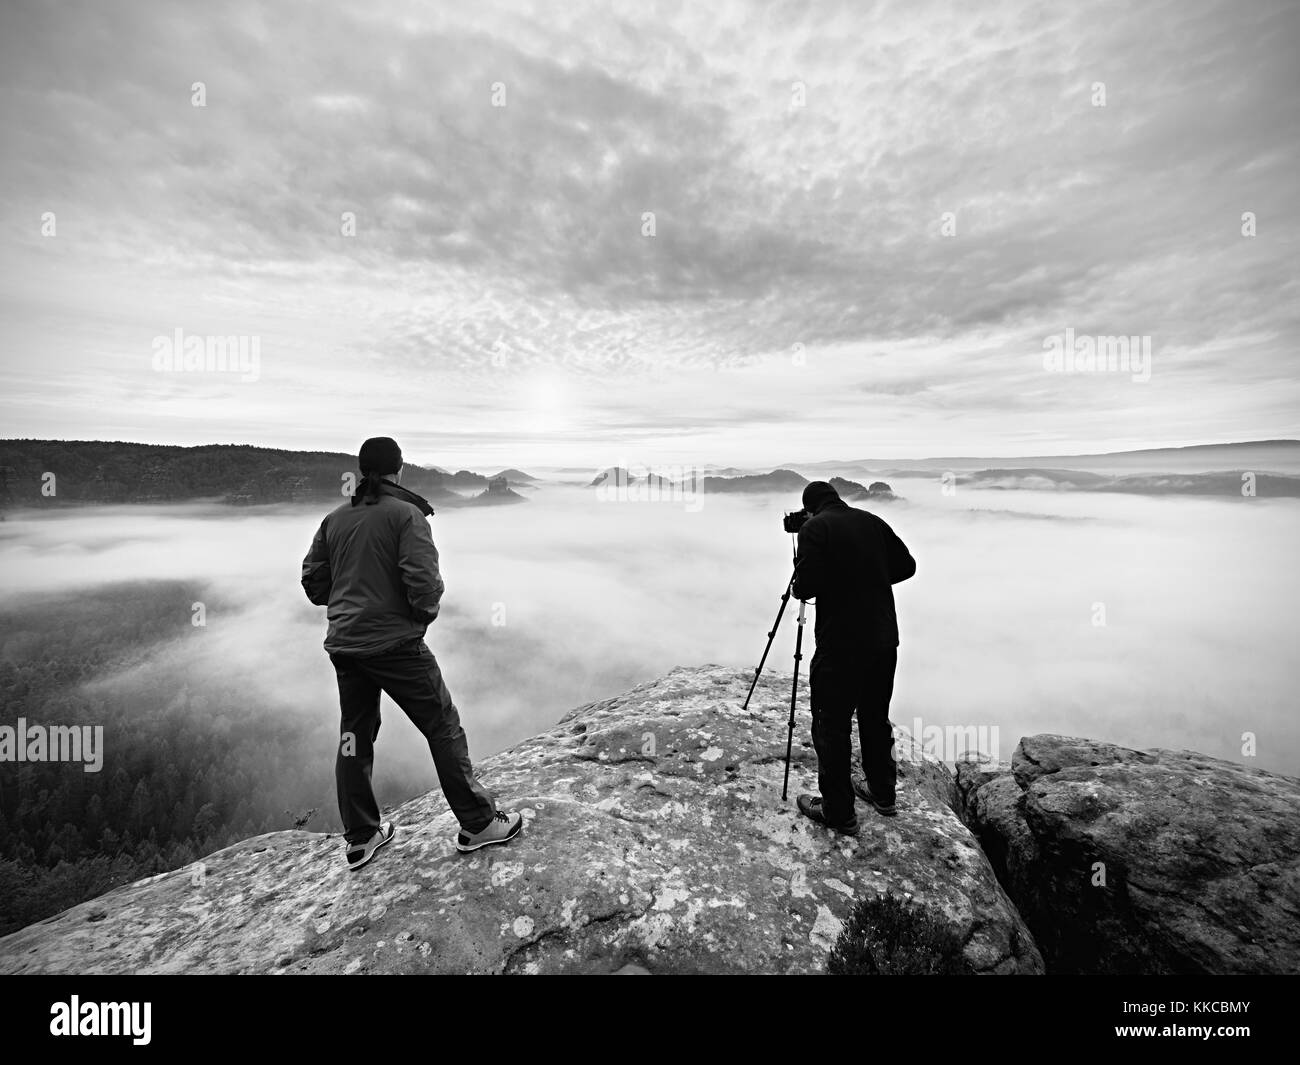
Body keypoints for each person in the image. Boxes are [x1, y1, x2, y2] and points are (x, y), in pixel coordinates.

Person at [301, 436, 521, 869]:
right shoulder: (407, 516)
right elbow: (423, 581)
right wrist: (417, 618)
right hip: (395, 644)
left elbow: (313, 583)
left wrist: (349, 602)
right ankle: (478, 824)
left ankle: (362, 838)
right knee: (442, 725)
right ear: (399, 470)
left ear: (363, 472)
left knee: (354, 737)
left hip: (346, 645)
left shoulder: (334, 520)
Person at [790, 481, 916, 834]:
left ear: (810, 509)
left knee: (832, 725)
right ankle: (883, 793)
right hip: (882, 640)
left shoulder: (815, 528)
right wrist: (870, 577)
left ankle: (839, 811)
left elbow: (806, 587)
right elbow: (907, 566)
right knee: (875, 718)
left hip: (840, 645)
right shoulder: (871, 520)